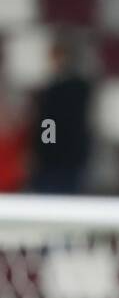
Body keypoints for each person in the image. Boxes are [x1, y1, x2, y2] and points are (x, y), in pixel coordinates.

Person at [28, 35, 91, 194]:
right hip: (58, 157)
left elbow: (50, 123)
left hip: (62, 158)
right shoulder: (56, 88)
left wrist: (46, 151)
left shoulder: (74, 88)